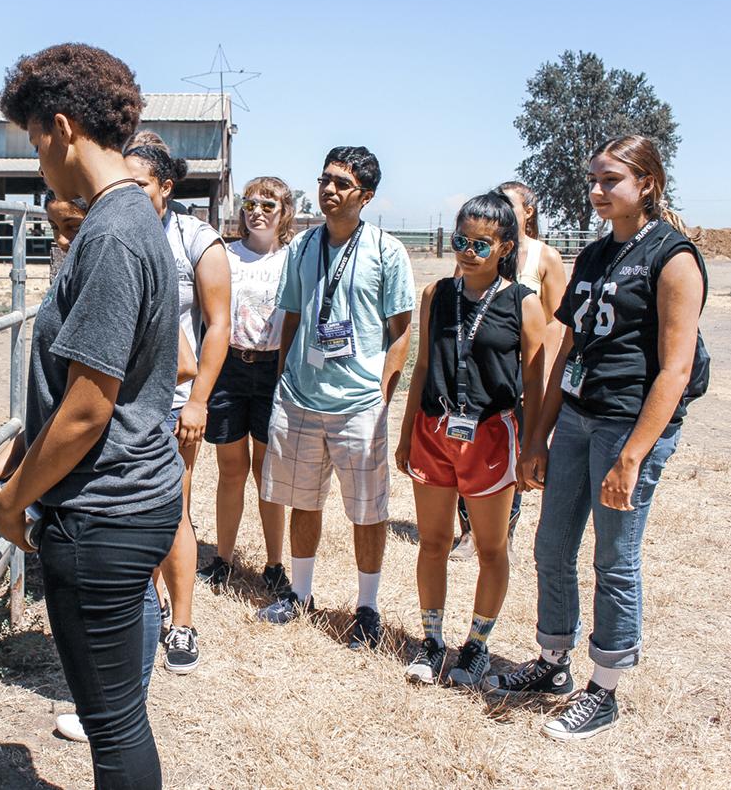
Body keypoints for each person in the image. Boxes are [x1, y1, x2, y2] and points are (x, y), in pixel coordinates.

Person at [0, 43, 183, 788]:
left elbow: (87, 409)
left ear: (62, 129)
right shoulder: (133, 220)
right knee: (121, 709)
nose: (38, 162)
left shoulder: (108, 234)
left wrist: (15, 498)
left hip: (101, 508)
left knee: (113, 723)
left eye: (36, 143)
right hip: (138, 491)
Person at [487, 135, 708, 742]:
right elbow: (565, 348)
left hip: (628, 427)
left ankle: (604, 689)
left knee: (614, 558)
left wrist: (633, 455)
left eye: (610, 180)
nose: (595, 191)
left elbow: (676, 369)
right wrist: (538, 435)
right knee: (551, 545)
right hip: (579, 420)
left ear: (647, 184)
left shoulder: (674, 257)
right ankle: (553, 663)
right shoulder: (592, 255)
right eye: (594, 179)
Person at [257, 146, 415, 651]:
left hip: (359, 404)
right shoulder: (302, 247)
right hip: (301, 398)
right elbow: (294, 318)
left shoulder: (387, 251)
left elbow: (400, 332)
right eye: (325, 179)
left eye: (342, 184)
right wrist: (284, 382)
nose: (329, 189)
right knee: (303, 500)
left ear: (365, 197)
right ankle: (300, 594)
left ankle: (366, 608)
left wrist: (382, 397)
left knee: (367, 510)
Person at [395, 191, 546, 687]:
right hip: (433, 432)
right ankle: (432, 640)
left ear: (506, 247)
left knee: (490, 548)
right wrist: (404, 435)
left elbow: (533, 383)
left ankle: (476, 646)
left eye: (482, 244)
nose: (468, 251)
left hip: (491, 437)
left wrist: (531, 448)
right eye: (461, 240)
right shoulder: (436, 295)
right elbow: (420, 367)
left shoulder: (525, 304)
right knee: (433, 542)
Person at [124, 141, 231, 674]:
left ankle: (182, 623)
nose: (129, 194)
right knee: (127, 511)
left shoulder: (196, 240)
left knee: (173, 511)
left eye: (140, 184)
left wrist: (198, 401)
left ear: (167, 187)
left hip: (170, 403)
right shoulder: (114, 229)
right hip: (120, 404)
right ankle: (147, 607)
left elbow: (218, 326)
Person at [452, 181, 566, 560]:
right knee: (466, 450)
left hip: (519, 374)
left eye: (508, 205)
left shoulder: (545, 258)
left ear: (528, 212)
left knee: (509, 458)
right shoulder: (475, 252)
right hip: (477, 372)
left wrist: (539, 372)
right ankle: (468, 532)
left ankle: (505, 531)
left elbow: (557, 322)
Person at [196, 176, 295, 596]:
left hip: (273, 371)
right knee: (231, 469)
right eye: (251, 203)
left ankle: (275, 564)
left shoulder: (293, 258)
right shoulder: (227, 255)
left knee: (267, 473)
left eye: (267, 205)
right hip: (230, 367)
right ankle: (224, 558)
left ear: (283, 212)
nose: (257, 211)